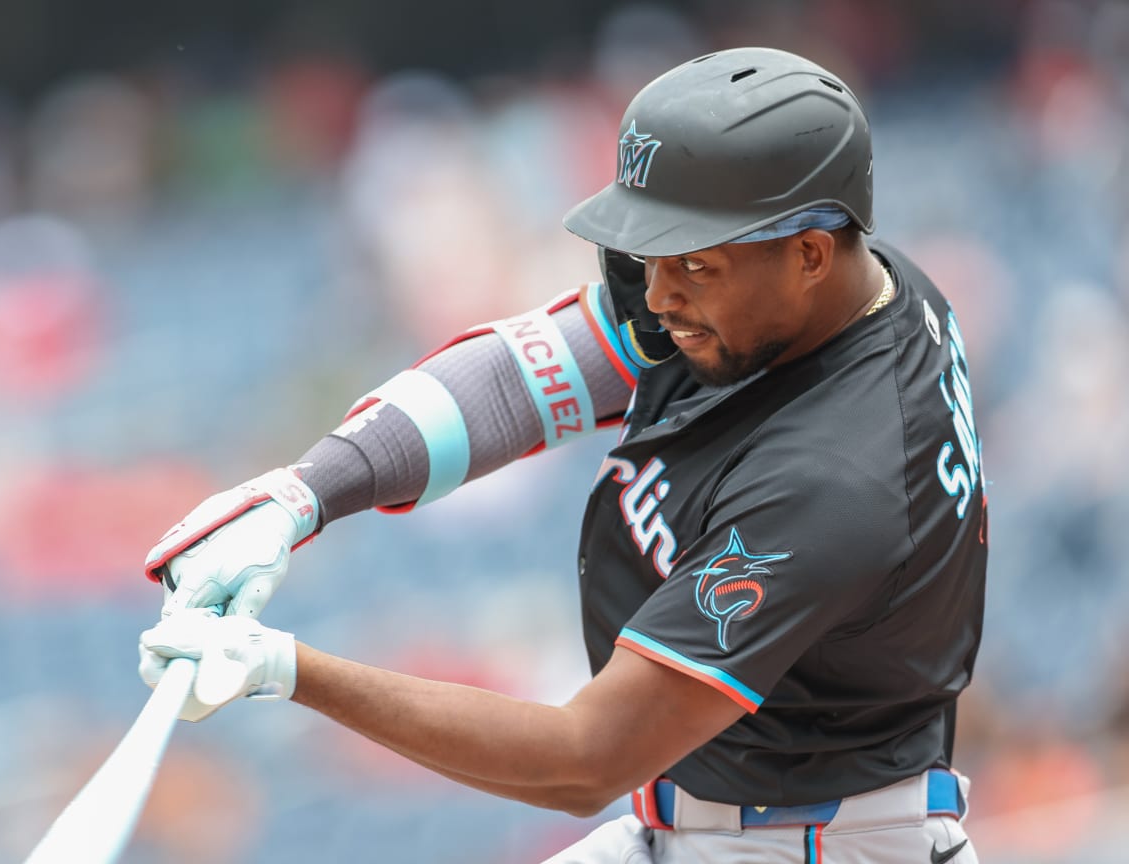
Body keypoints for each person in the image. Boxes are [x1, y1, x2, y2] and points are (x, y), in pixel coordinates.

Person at [138, 46, 986, 863]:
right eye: (650, 254)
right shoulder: (817, 287)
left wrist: (284, 670)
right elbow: (522, 382)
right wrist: (302, 497)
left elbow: (584, 760)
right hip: (725, 820)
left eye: (692, 261)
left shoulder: (836, 481)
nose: (658, 296)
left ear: (808, 252)